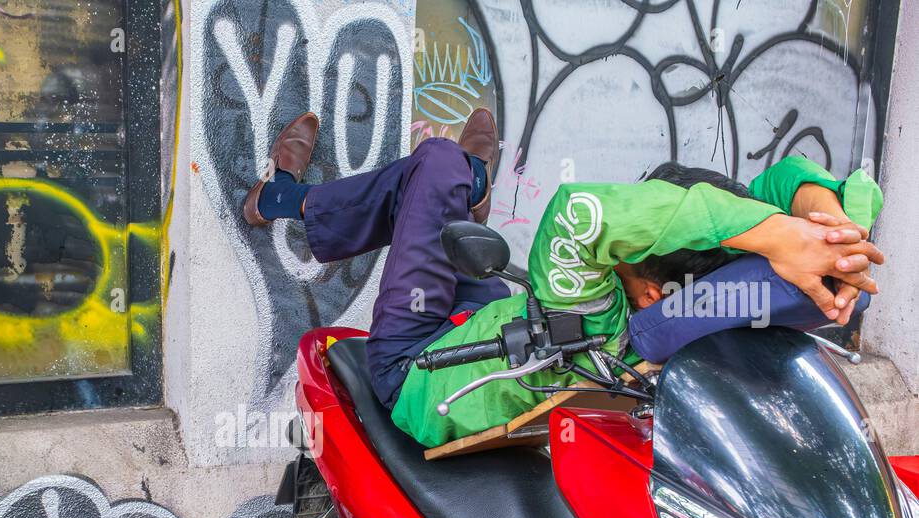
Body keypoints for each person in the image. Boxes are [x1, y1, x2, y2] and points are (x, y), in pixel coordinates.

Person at [244, 110, 884, 447]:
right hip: (497, 319)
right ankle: (469, 189)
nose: (631, 242)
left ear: (652, 288)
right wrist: (827, 232)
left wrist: (775, 235)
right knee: (443, 192)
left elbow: (582, 213)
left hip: (415, 363)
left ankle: (288, 199)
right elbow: (826, 186)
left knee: (436, 164)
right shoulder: (685, 301)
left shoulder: (600, 316)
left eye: (639, 247)